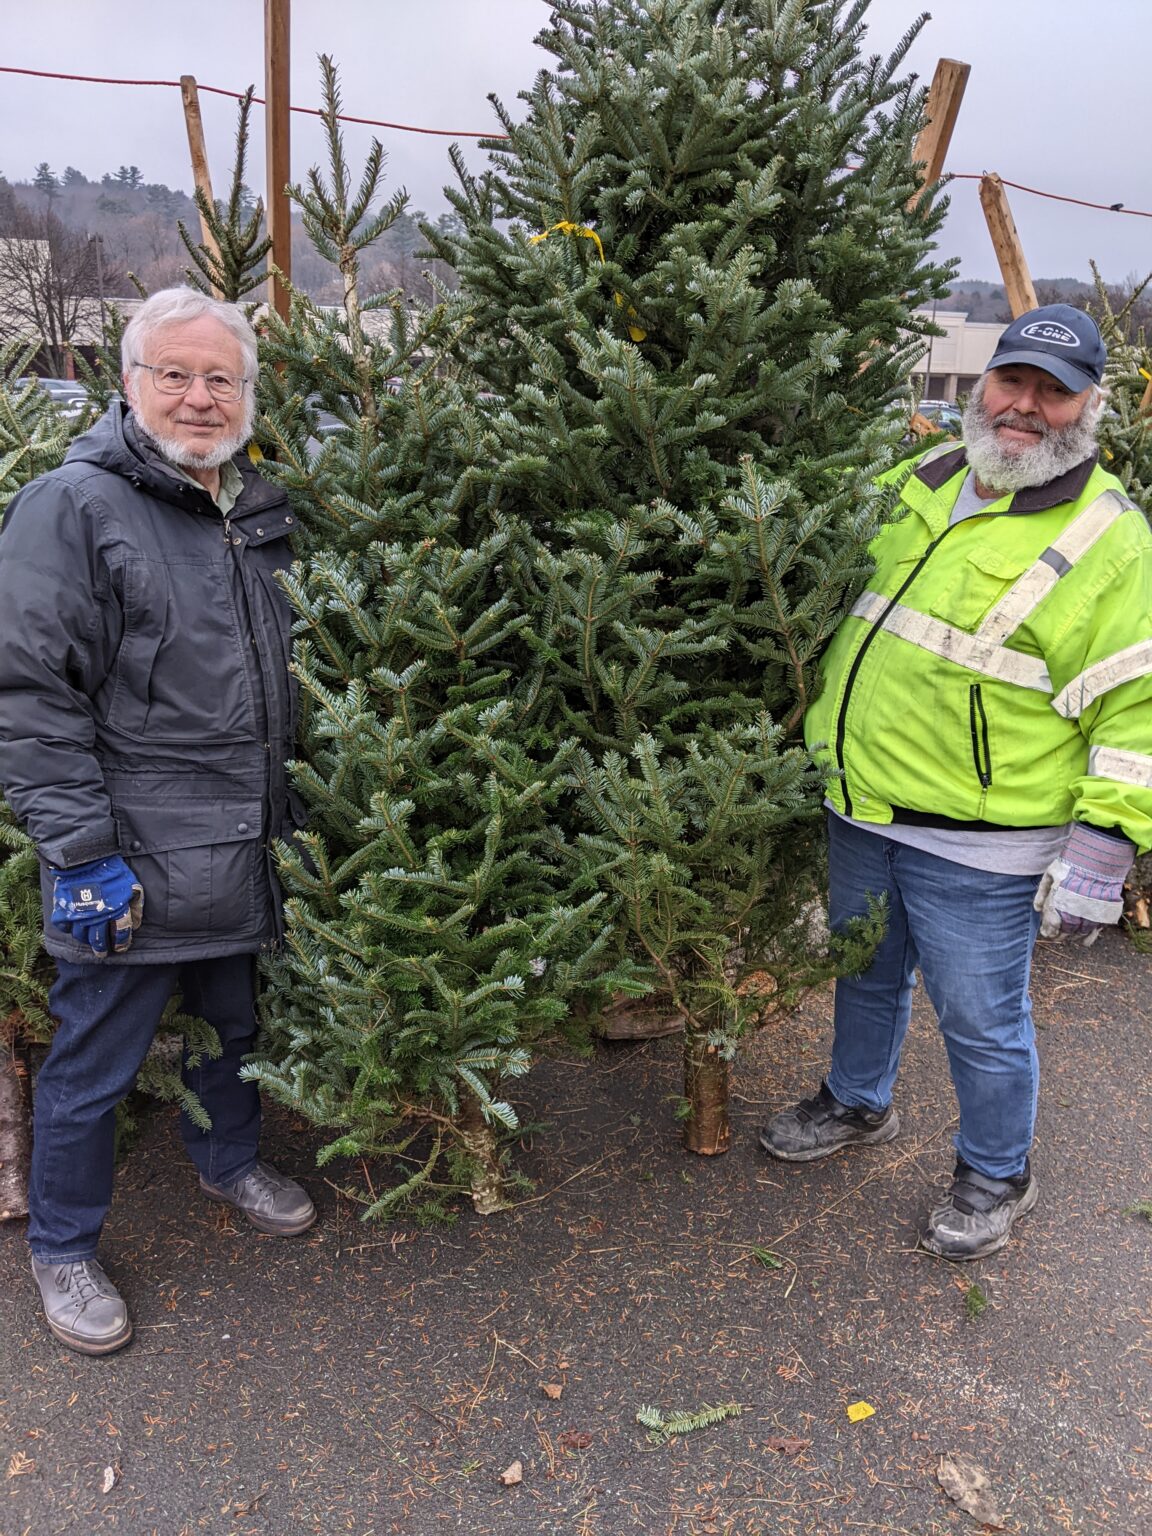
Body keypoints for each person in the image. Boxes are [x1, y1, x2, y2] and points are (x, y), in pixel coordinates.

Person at [759, 304, 1152, 1260]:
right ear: (985, 384)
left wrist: (1103, 851)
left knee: (981, 1020)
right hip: (862, 803)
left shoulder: (1112, 539)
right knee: (864, 972)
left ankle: (995, 1172)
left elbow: (1136, 708)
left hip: (982, 841)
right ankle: (857, 1102)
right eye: (1013, 382)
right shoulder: (923, 476)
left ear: (1091, 406)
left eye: (1055, 393)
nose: (1025, 408)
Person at [0, 287, 315, 1355]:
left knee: (234, 1028)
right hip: (131, 858)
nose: (198, 397)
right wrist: (83, 854)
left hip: (249, 843)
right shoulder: (73, 506)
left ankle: (229, 1162)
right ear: (129, 384)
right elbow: (29, 696)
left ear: (248, 395)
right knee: (95, 1062)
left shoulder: (258, 510)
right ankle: (62, 1246)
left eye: (221, 378)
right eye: (174, 374)